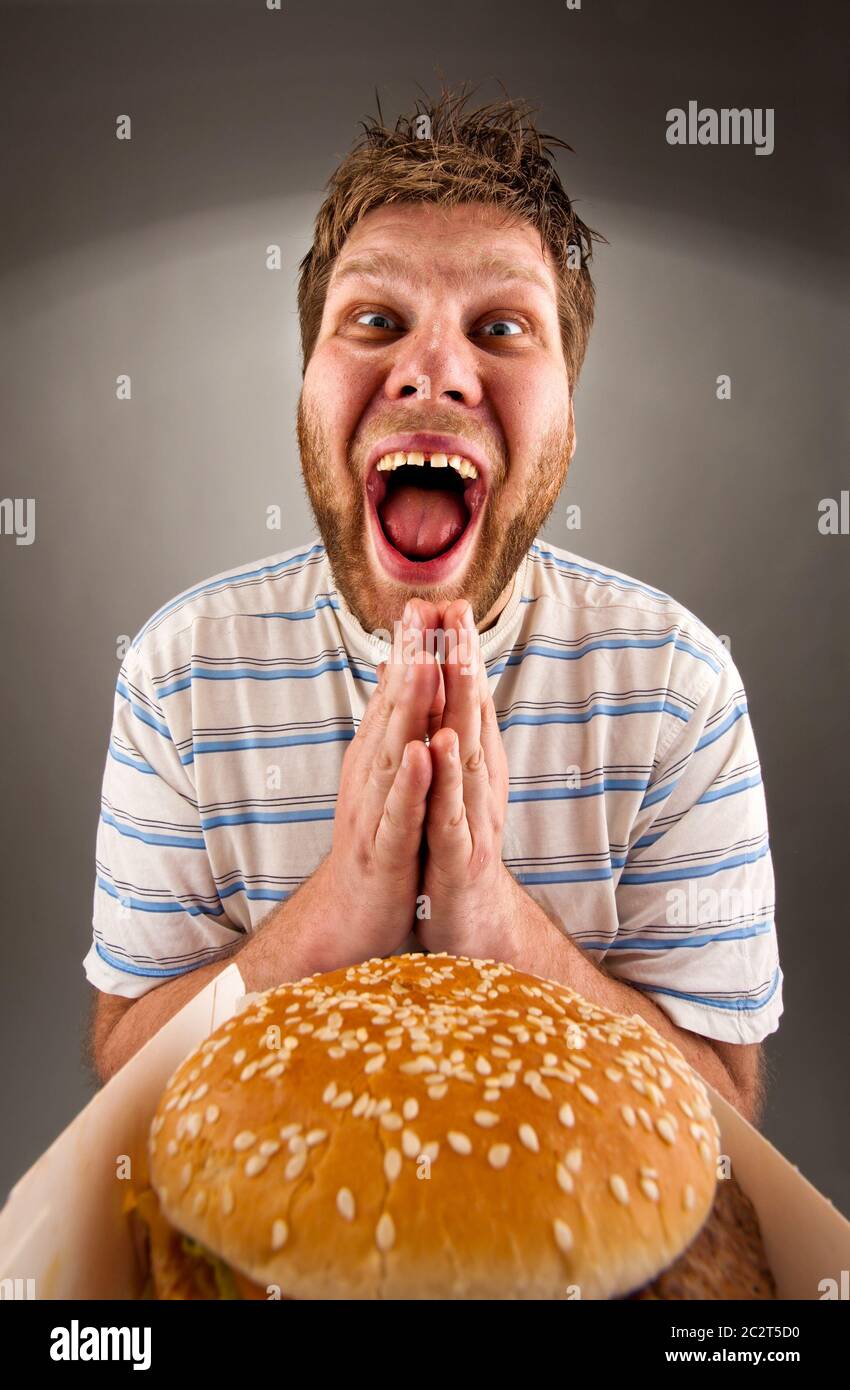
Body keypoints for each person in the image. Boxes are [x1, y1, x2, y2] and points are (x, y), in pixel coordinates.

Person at [87, 90, 781, 1122]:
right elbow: (124, 1075)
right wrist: (332, 914)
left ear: (567, 423)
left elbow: (723, 1117)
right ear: (307, 389)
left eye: (501, 327)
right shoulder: (176, 669)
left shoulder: (678, 683)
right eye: (377, 320)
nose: (434, 370)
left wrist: (498, 926)